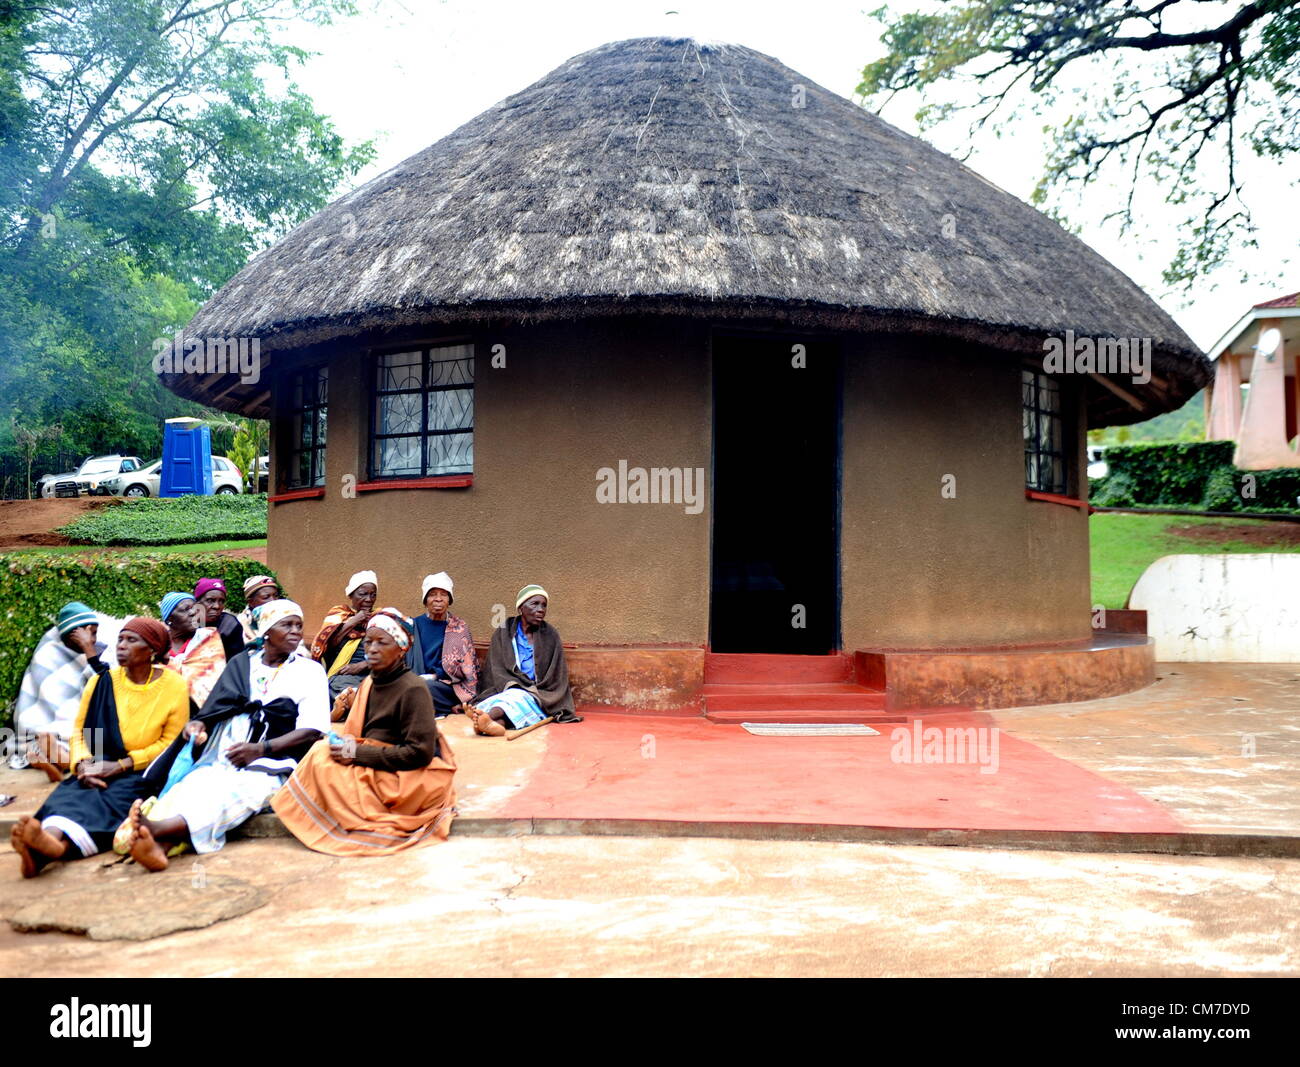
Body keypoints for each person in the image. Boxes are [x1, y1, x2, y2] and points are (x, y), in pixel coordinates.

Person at [123, 599, 329, 871]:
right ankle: (161, 848)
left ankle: (158, 829)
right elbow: (214, 710)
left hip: (274, 760)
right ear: (266, 630)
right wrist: (198, 726)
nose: (295, 631)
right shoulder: (241, 663)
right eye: (286, 625)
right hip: (224, 753)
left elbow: (312, 731)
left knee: (237, 792)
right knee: (195, 783)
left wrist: (260, 749)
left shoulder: (309, 670)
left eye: (298, 626)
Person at [10, 618, 188, 877]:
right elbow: (80, 732)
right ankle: (45, 843)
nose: (121, 646)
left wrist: (120, 766)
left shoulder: (174, 686)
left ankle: (45, 853)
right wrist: (83, 764)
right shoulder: (102, 682)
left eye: (131, 640)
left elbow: (168, 745)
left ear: (152, 649)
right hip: (97, 762)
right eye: (120, 639)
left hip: (141, 771)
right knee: (73, 791)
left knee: (110, 800)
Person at [273, 608, 457, 855]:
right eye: (368, 642)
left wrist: (356, 754)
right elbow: (356, 736)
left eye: (382, 642)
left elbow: (420, 755)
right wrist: (345, 746)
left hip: (404, 774)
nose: (372, 649)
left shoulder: (414, 690)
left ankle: (346, 821)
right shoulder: (370, 683)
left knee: (322, 763)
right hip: (372, 758)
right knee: (321, 752)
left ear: (402, 648)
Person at [14, 602, 123, 780]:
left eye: (95, 633)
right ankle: (55, 757)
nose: (93, 639)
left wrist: (89, 649)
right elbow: (44, 693)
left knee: (87, 736)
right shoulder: (50, 650)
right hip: (50, 726)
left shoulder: (97, 651)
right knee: (61, 735)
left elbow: (105, 686)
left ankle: (58, 761)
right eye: (90, 633)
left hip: (83, 722)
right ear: (72, 634)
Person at [467, 584, 583, 736]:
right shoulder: (504, 632)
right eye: (535, 604)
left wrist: (528, 688)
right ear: (520, 608)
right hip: (508, 688)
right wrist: (514, 685)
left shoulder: (551, 635)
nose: (541, 609)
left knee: (517, 696)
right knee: (513, 697)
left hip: (540, 693)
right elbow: (496, 669)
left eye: (544, 605)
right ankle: (493, 724)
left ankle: (486, 717)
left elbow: (556, 676)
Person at [408, 571, 478, 716]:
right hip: (414, 680)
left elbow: (468, 669)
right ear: (425, 599)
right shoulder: (414, 625)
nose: (438, 599)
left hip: (447, 685)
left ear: (449, 600)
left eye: (444, 595)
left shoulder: (459, 628)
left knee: (422, 688)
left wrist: (433, 676)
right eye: (433, 594)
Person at [310, 570, 378, 699]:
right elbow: (327, 645)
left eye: (373, 595)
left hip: (373, 671)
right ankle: (354, 700)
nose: (369, 599)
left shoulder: (380, 618)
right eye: (363, 594)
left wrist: (362, 665)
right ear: (351, 595)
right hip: (343, 675)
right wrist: (353, 621)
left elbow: (391, 650)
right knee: (335, 685)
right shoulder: (339, 614)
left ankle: (354, 701)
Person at [161, 591, 226, 712]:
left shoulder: (208, 638)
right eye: (185, 610)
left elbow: (218, 681)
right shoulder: (157, 647)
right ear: (170, 618)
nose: (193, 613)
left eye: (195, 608)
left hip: (206, 714)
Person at [194, 578, 245, 660]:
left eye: (221, 601)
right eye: (210, 600)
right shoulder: (187, 623)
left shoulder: (229, 625)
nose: (217, 606)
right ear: (197, 603)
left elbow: (236, 662)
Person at [235, 574, 280, 642]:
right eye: (266, 597)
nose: (273, 600)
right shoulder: (239, 624)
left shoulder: (284, 618)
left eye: (275, 596)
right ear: (251, 602)